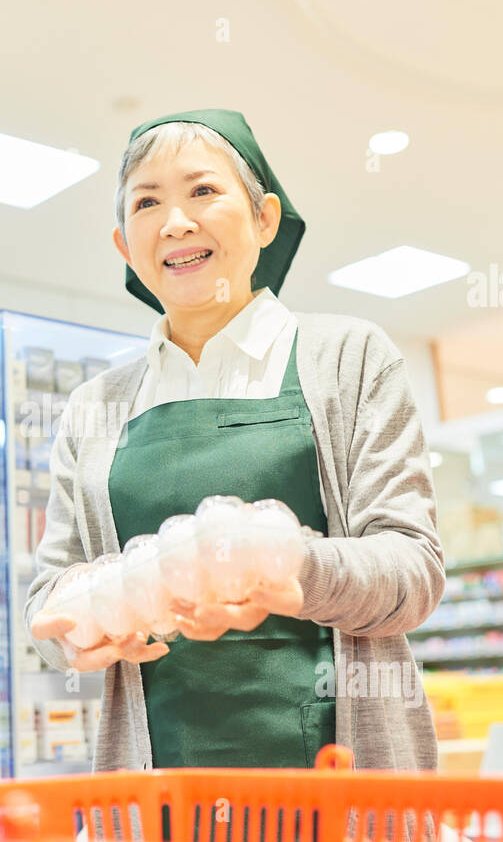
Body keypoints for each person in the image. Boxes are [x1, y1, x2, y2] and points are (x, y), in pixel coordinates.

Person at [25, 109, 444, 773]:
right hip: (154, 797)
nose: (175, 222)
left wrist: (292, 566)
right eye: (147, 202)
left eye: (202, 190)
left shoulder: (350, 358)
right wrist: (71, 626)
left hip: (343, 788)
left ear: (265, 218)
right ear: (123, 244)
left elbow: (413, 571)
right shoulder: (93, 409)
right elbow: (48, 597)